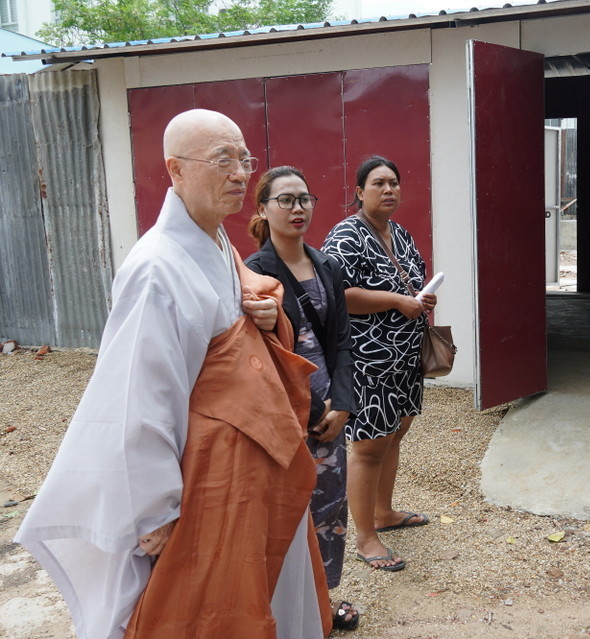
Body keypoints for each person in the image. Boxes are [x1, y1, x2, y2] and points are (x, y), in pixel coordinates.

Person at [15, 109, 333, 639]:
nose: (239, 173)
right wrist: (154, 510)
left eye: (244, 159)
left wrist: (265, 310)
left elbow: (248, 298)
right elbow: (139, 398)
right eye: (222, 160)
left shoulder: (214, 242)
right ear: (176, 170)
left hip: (255, 466)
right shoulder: (156, 268)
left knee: (262, 592)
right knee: (203, 610)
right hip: (204, 483)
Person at [246, 165, 360, 630]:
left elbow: (342, 341)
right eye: (285, 200)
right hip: (286, 416)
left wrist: (344, 402)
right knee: (288, 510)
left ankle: (321, 601)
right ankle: (283, 608)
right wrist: (315, 408)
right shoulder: (255, 273)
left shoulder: (326, 264)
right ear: (263, 209)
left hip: (332, 412)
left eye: (304, 199)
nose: (297, 208)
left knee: (331, 508)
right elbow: (258, 357)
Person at [322, 155, 437, 572]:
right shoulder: (346, 236)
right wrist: (396, 301)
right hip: (367, 360)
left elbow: (411, 284)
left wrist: (421, 299)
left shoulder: (399, 234)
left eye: (394, 182)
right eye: (378, 183)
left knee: (395, 434)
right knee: (368, 447)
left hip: (403, 358)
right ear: (359, 192)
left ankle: (383, 513)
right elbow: (337, 293)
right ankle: (365, 537)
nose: (388, 190)